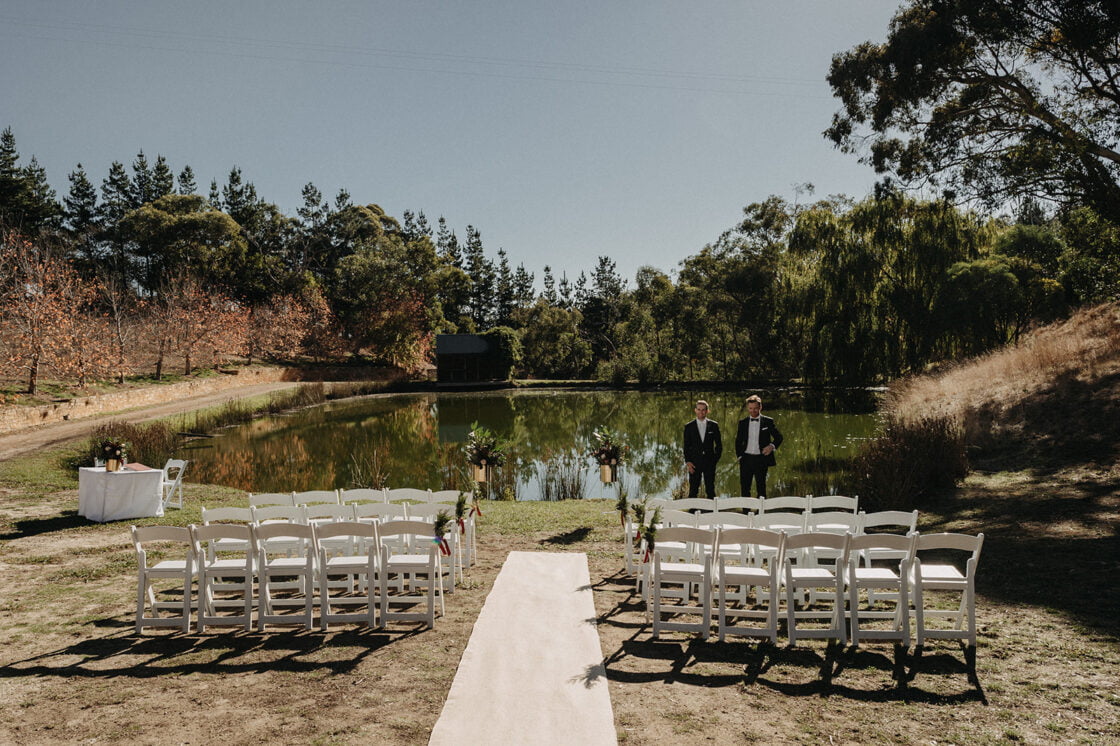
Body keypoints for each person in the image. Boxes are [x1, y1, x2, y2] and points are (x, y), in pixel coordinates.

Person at [734, 394, 783, 497]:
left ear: (760, 407)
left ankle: (760, 508)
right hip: (746, 459)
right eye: (750, 408)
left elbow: (779, 437)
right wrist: (740, 456)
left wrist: (771, 446)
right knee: (745, 488)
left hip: (761, 459)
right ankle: (745, 507)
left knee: (761, 488)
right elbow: (738, 441)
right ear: (748, 408)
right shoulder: (742, 423)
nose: (753, 411)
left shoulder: (768, 421)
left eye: (755, 408)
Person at [683, 399, 722, 499]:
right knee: (693, 490)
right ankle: (692, 509)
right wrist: (688, 461)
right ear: (695, 410)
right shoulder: (689, 426)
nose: (701, 412)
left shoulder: (714, 425)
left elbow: (719, 445)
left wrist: (714, 460)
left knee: (710, 490)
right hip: (694, 463)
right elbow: (686, 446)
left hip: (709, 462)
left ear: (707, 411)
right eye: (699, 409)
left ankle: (712, 508)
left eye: (703, 410)